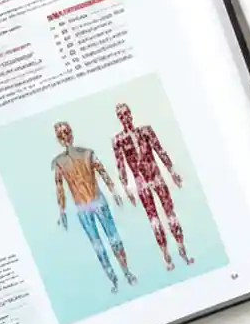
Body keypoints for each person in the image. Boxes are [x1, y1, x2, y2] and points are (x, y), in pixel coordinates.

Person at [52, 121, 136, 292]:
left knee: (113, 238)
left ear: (71, 133)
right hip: (83, 207)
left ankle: (126, 272)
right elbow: (59, 187)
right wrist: (62, 211)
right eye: (61, 135)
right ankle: (114, 279)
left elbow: (102, 171)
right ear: (58, 139)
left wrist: (113, 191)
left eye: (66, 132)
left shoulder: (87, 154)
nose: (64, 137)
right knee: (98, 244)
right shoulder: (61, 162)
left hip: (96, 201)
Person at [111, 103, 194, 270]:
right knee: (154, 220)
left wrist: (172, 171)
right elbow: (120, 165)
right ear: (119, 119)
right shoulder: (119, 140)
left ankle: (182, 249)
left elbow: (159, 150)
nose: (125, 118)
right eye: (121, 115)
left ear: (131, 114)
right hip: (142, 182)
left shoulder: (145, 131)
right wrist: (126, 187)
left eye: (126, 114)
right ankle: (166, 256)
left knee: (170, 214)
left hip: (155, 176)